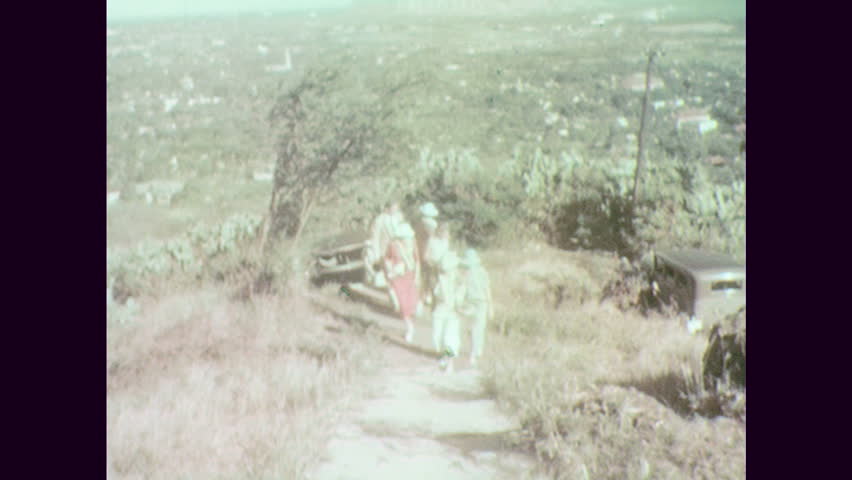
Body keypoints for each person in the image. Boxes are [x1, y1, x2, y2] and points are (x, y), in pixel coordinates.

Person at [384, 222, 420, 343]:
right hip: (397, 277)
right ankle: (409, 327)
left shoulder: (412, 244)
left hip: (409, 276)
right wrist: (390, 269)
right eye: (405, 237)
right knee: (401, 304)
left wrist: (417, 276)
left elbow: (417, 260)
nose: (407, 239)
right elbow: (387, 259)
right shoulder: (393, 245)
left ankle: (410, 326)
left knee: (410, 303)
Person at [458, 248, 493, 368]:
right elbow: (463, 289)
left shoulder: (480, 273)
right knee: (474, 328)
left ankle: (476, 351)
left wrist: (490, 306)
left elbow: (486, 289)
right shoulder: (468, 273)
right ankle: (475, 351)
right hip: (474, 303)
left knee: (478, 328)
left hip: (479, 302)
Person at [432, 250, 461, 373]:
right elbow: (436, 296)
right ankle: (444, 356)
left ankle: (450, 362)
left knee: (449, 339)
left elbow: (460, 298)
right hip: (439, 312)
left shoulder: (458, 281)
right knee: (437, 338)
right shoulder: (438, 280)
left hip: (452, 313)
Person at [366, 202, 401, 288]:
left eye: (397, 208)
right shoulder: (379, 220)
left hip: (396, 249)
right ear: (387, 208)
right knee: (384, 271)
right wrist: (376, 254)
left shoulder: (398, 218)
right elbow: (375, 238)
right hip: (384, 249)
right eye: (394, 208)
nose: (396, 210)